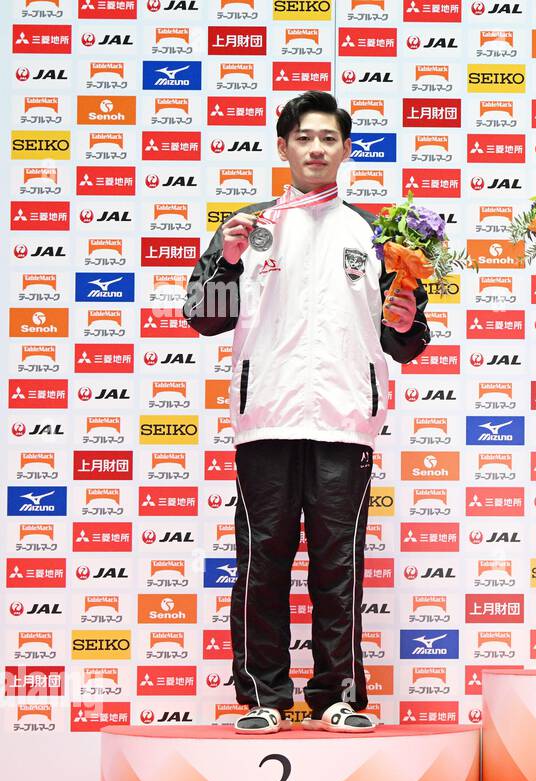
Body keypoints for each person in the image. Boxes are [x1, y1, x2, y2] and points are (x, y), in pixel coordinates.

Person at [183, 91, 430, 733]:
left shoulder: (378, 233)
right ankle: (262, 697)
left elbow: (408, 338)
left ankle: (338, 693)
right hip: (265, 415)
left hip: (345, 419)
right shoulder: (246, 226)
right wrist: (227, 260)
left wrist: (405, 317)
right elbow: (204, 316)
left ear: (346, 150)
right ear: (283, 147)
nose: (316, 149)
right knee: (262, 558)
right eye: (303, 138)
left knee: (337, 562)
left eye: (328, 139)